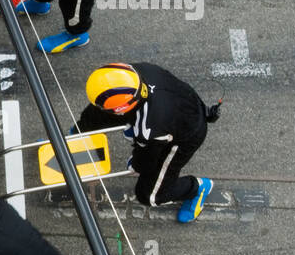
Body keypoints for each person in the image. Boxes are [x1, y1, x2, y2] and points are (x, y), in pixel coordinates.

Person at [74, 63, 218, 223]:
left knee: (150, 195)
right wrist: (79, 131)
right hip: (177, 103)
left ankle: (197, 188)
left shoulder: (149, 129)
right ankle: (74, 136)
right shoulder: (136, 72)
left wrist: (136, 164)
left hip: (185, 135)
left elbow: (145, 162)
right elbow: (99, 110)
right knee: (97, 116)